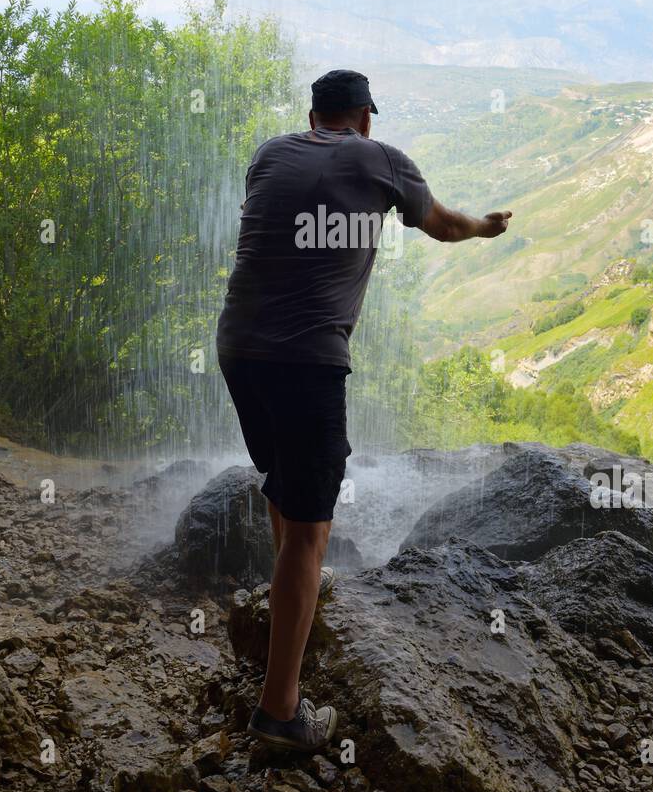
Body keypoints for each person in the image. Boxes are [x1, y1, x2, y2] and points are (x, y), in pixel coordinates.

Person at [216, 68, 512, 752]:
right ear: (366, 118)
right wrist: (488, 228)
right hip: (306, 360)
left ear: (313, 114)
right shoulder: (383, 159)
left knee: (284, 493)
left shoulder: (270, 151)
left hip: (239, 346)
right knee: (313, 530)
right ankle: (281, 714)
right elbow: (441, 226)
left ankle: (282, 633)